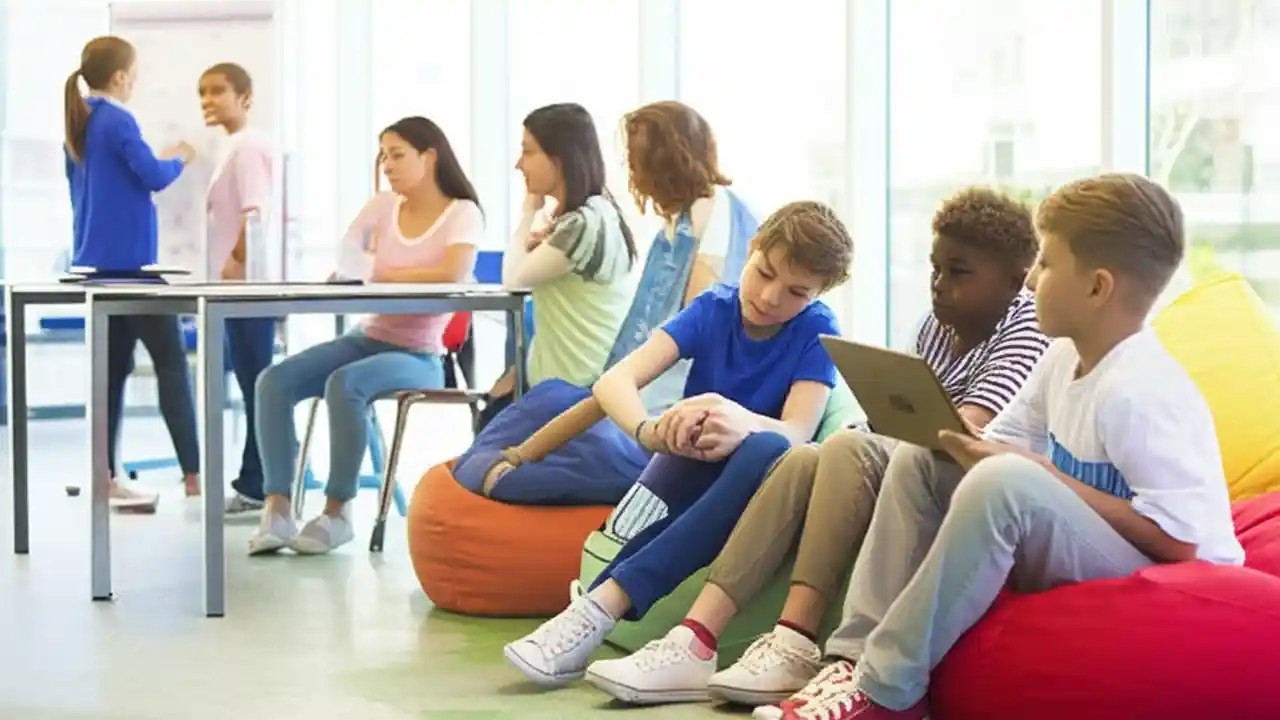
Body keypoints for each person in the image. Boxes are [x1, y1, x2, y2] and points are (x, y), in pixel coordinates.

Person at [766, 173, 1245, 720]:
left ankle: (888, 692)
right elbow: (1001, 444)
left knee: (1008, 480)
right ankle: (853, 664)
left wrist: (1036, 473)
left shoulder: (1140, 387)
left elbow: (1180, 541)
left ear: (1097, 288)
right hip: (1100, 544)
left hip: (1175, 578)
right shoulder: (1062, 358)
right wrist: (956, 442)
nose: (1030, 280)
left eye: (1045, 264)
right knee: (924, 457)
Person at [581, 188, 1051, 706]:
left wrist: (866, 436)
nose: (939, 285)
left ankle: (797, 639)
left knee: (840, 450)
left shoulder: (1026, 327)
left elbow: (958, 434)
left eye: (958, 274)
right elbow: (904, 415)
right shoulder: (938, 325)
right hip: (910, 457)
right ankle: (699, 637)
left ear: (1014, 280)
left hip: (960, 476)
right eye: (935, 268)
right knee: (806, 454)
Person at [503, 200, 854, 688]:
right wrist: (650, 430)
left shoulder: (816, 328)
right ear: (751, 249)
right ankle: (597, 612)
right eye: (764, 272)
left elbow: (797, 430)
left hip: (765, 489)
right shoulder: (715, 307)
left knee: (762, 449)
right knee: (688, 436)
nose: (771, 297)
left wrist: (738, 421)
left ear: (819, 294)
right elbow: (615, 381)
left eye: (796, 292)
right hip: (686, 472)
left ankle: (598, 608)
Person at [460, 100, 760, 506]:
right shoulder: (682, 220)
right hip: (634, 391)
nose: (633, 171)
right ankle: (485, 467)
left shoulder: (715, 215)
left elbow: (699, 322)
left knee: (568, 421)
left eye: (639, 158)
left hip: (663, 411)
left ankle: (496, 476)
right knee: (550, 397)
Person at [248, 116, 483, 555]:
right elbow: (349, 260)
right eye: (383, 156)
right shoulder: (381, 206)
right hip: (368, 336)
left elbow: (451, 274)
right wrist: (369, 271)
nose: (388, 165)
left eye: (397, 155)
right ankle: (278, 508)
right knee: (273, 382)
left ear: (429, 157)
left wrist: (381, 271)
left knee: (345, 384)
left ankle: (337, 513)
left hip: (420, 353)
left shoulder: (462, 212)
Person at [64, 35, 200, 510]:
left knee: (112, 373)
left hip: (97, 265)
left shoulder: (81, 121)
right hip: (132, 270)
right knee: (172, 366)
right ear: (121, 77)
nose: (136, 82)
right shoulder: (119, 119)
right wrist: (182, 155)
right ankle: (195, 476)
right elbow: (154, 175)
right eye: (135, 74)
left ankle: (105, 476)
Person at [480, 103, 638, 425]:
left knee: (488, 431)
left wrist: (528, 210)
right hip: (579, 384)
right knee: (492, 415)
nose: (519, 164)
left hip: (573, 393)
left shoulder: (582, 224)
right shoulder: (599, 214)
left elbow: (513, 280)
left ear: (559, 158)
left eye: (528, 152)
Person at [197, 62, 279, 515]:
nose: (208, 101)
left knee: (255, 384)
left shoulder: (249, 146)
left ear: (245, 97)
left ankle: (257, 482)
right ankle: (258, 478)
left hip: (247, 286)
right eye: (202, 93)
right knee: (253, 382)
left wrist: (236, 260)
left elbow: (256, 211)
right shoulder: (235, 145)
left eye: (217, 92)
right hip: (235, 286)